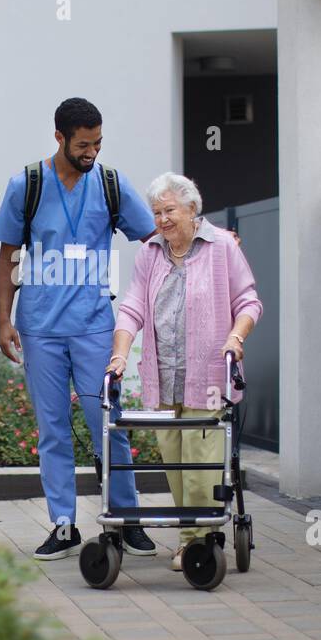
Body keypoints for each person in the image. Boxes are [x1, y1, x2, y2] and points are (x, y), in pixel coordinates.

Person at [0, 98, 159, 560]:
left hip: (94, 328)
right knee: (52, 430)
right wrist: (4, 320)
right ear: (60, 138)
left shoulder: (109, 184)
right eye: (83, 144)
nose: (92, 152)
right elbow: (8, 257)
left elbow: (154, 237)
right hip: (40, 327)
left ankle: (127, 520)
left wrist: (210, 238)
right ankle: (63, 525)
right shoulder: (25, 185)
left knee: (108, 423)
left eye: (98, 143)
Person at [108, 172, 262, 571]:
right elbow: (132, 308)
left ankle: (197, 541)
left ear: (193, 209)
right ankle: (193, 536)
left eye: (169, 210)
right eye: (156, 212)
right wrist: (120, 356)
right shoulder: (150, 254)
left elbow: (248, 301)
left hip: (209, 378)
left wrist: (236, 337)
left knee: (201, 462)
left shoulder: (222, 247)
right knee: (175, 462)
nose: (161, 219)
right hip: (163, 378)